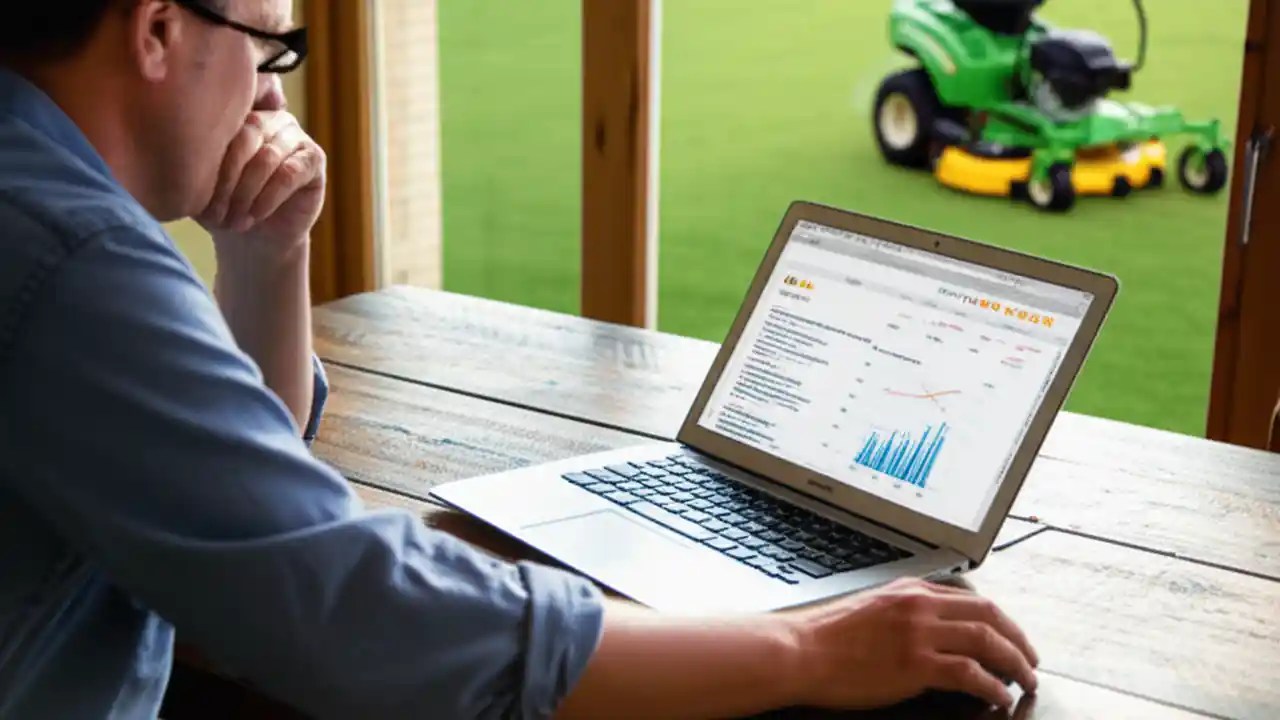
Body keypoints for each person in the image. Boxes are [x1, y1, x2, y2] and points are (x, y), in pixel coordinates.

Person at [0, 1, 1040, 718]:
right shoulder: (73, 257)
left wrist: (268, 255)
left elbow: (229, 501)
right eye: (269, 50)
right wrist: (810, 649)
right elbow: (336, 607)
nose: (271, 103)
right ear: (156, 29)